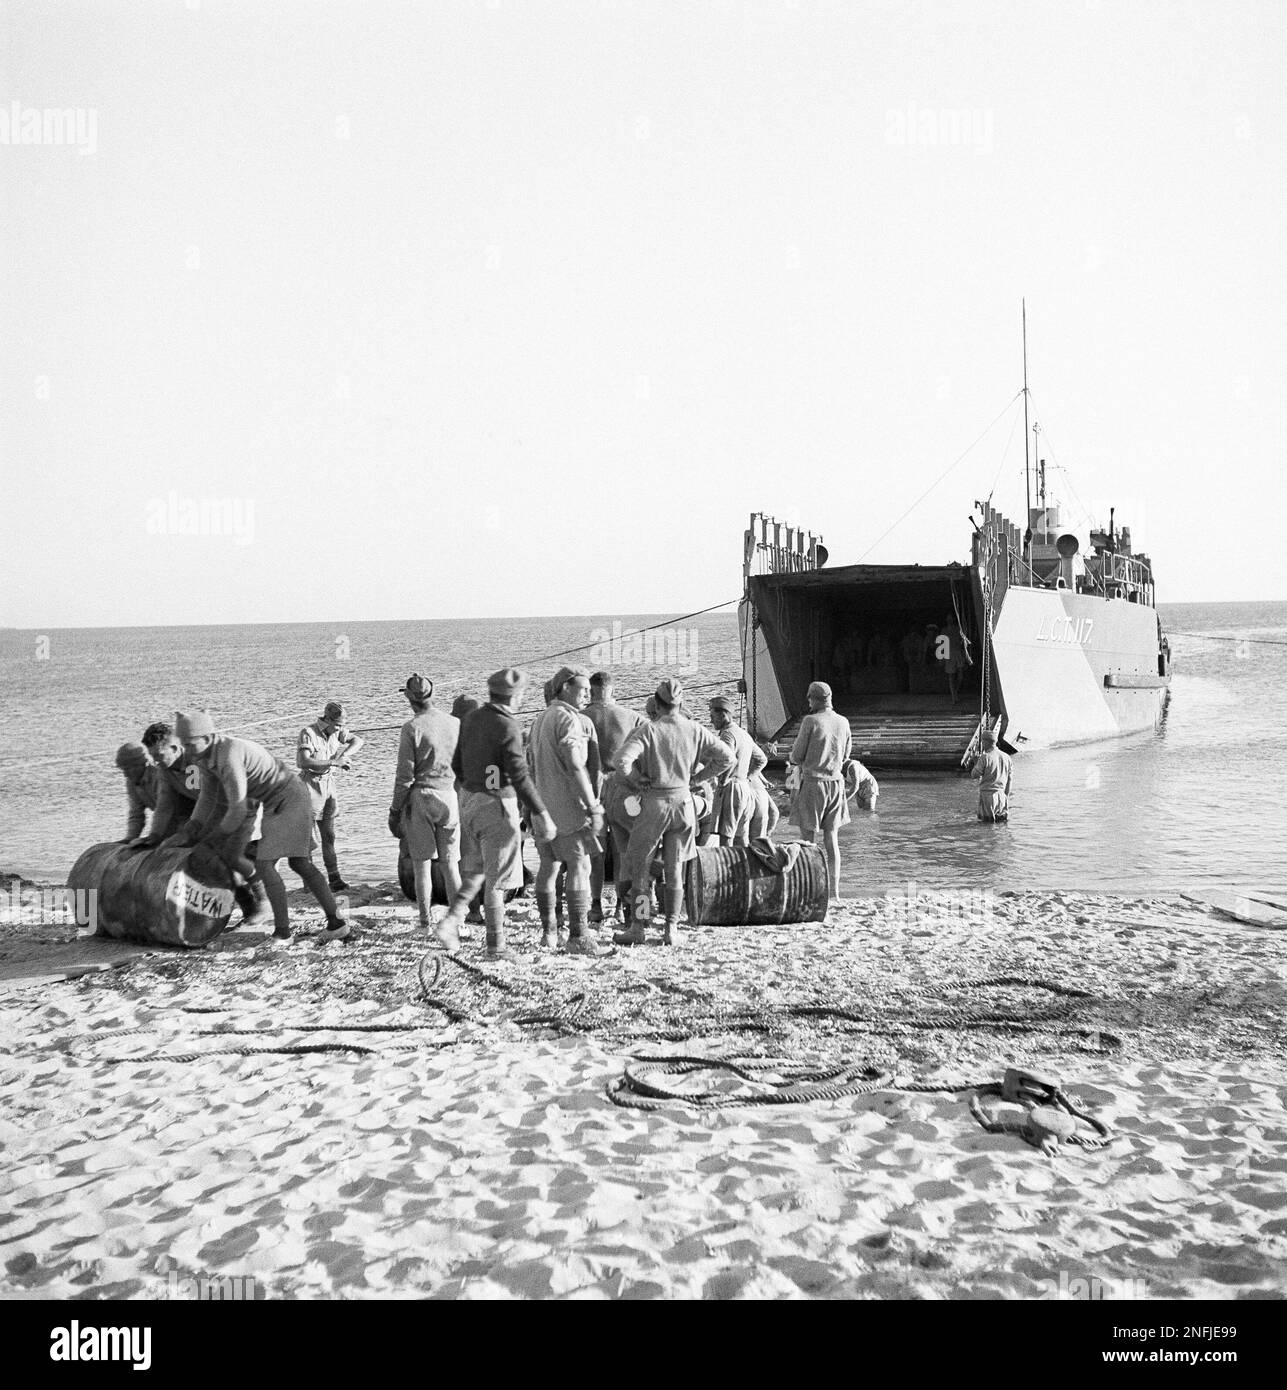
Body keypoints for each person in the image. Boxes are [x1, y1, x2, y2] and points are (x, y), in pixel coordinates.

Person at [166, 710, 349, 946]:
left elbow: (237, 808)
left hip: (287, 798)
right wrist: (192, 828)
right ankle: (336, 922)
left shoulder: (229, 753)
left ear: (208, 737)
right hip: (279, 800)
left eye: (190, 744)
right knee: (300, 863)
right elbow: (208, 798)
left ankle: (283, 932)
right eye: (183, 745)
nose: (187, 750)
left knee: (267, 865)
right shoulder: (205, 758)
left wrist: (213, 839)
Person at [439, 669, 557, 959]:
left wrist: (475, 787)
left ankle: (452, 919)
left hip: (469, 800)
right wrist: (540, 811)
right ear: (515, 696)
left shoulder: (471, 720)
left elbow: (457, 764)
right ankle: (496, 945)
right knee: (496, 880)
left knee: (479, 868)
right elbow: (519, 774)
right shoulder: (508, 725)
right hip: (497, 805)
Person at [613, 678, 733, 948]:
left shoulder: (649, 731)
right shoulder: (695, 729)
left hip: (655, 803)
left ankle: (638, 926)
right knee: (675, 868)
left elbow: (620, 761)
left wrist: (636, 779)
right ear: (680, 703)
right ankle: (671, 928)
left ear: (656, 703)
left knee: (640, 869)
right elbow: (727, 758)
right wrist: (698, 778)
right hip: (684, 803)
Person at [131, 721, 270, 926]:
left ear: (176, 748)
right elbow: (165, 805)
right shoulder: (165, 770)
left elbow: (220, 796)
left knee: (231, 858)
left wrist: (201, 830)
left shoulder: (197, 759)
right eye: (152, 757)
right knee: (208, 859)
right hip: (210, 811)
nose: (155, 761)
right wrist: (155, 835)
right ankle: (247, 907)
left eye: (159, 756)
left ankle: (262, 903)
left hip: (242, 803)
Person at [529, 666, 608, 955]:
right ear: (564, 687)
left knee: (549, 868)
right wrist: (593, 805)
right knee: (580, 866)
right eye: (582, 688)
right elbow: (576, 765)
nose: (588, 692)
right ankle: (579, 936)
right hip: (568, 808)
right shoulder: (569, 719)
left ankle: (549, 932)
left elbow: (530, 767)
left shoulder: (540, 719)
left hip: (542, 808)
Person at [388, 674, 460, 935]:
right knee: (451, 863)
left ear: (409, 697)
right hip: (449, 795)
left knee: (422, 865)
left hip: (422, 797)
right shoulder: (455, 723)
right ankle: (455, 920)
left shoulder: (412, 727)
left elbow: (404, 777)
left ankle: (424, 922)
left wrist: (395, 811)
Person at [584, 672, 644, 920]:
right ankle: (623, 906)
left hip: (592, 790)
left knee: (596, 851)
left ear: (591, 690)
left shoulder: (581, 717)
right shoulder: (632, 717)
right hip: (624, 789)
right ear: (612, 689)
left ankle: (596, 905)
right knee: (624, 850)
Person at [788, 681, 852, 906]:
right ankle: (834, 892)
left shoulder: (810, 721)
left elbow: (796, 756)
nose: (808, 702)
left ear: (814, 699)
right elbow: (846, 754)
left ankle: (811, 890)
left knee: (807, 840)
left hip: (814, 784)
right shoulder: (843, 722)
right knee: (831, 838)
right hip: (836, 783)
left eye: (809, 698)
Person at [297, 701, 365, 891]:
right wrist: (334, 762)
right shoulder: (308, 733)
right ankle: (308, 883)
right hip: (309, 785)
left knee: (329, 835)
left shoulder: (338, 731)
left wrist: (345, 756)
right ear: (327, 719)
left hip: (329, 785)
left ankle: (334, 879)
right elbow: (303, 761)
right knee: (307, 840)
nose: (340, 729)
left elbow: (358, 741)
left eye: (342, 725)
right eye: (337, 725)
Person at [708, 695, 767, 847]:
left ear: (723, 715)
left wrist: (723, 780)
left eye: (712, 716)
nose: (710, 721)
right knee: (742, 837)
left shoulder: (727, 735)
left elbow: (727, 760)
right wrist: (748, 778)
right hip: (744, 788)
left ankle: (726, 869)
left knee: (726, 836)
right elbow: (761, 759)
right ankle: (745, 869)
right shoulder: (743, 734)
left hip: (731, 788)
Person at [115, 742, 158, 843]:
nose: (125, 774)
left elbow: (166, 810)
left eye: (128, 769)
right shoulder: (132, 782)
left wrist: (155, 835)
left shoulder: (159, 776)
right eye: (123, 769)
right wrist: (130, 838)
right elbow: (136, 814)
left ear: (143, 764)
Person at [971, 727, 1012, 822]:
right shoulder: (1007, 757)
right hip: (1002, 796)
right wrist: (1006, 797)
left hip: (988, 797)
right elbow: (1010, 780)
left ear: (986, 742)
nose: (982, 744)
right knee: (1001, 824)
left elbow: (974, 775)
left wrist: (975, 762)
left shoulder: (985, 757)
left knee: (986, 825)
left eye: (982, 742)